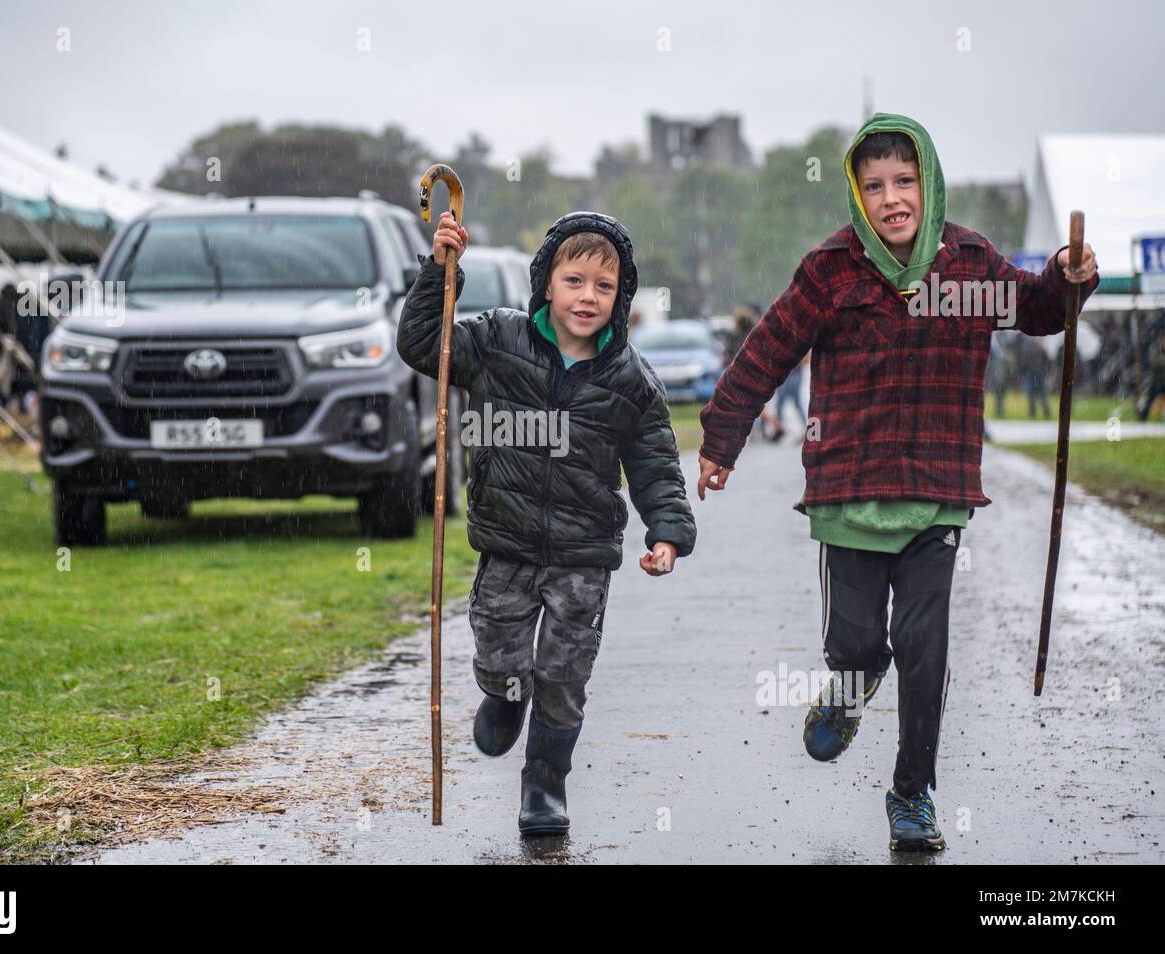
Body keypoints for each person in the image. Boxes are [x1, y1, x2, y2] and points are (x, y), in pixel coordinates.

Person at [697, 114, 1099, 852]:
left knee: (925, 646)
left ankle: (912, 794)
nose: (891, 199)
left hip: (936, 492)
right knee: (856, 646)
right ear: (856, 193)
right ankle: (851, 687)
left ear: (929, 184)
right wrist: (722, 438)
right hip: (848, 492)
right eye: (874, 185)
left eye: (904, 181)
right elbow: (767, 352)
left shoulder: (970, 263)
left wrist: (1070, 276)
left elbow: (1040, 310)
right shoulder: (830, 269)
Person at [398, 209, 697, 837]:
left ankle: (544, 786)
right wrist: (439, 273)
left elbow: (655, 465)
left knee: (564, 674)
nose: (588, 297)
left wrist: (667, 532)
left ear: (622, 297)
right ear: (547, 282)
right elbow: (423, 344)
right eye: (575, 280)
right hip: (506, 544)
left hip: (584, 556)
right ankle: (504, 694)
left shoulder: (631, 381)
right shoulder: (496, 340)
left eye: (604, 286)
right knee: (500, 642)